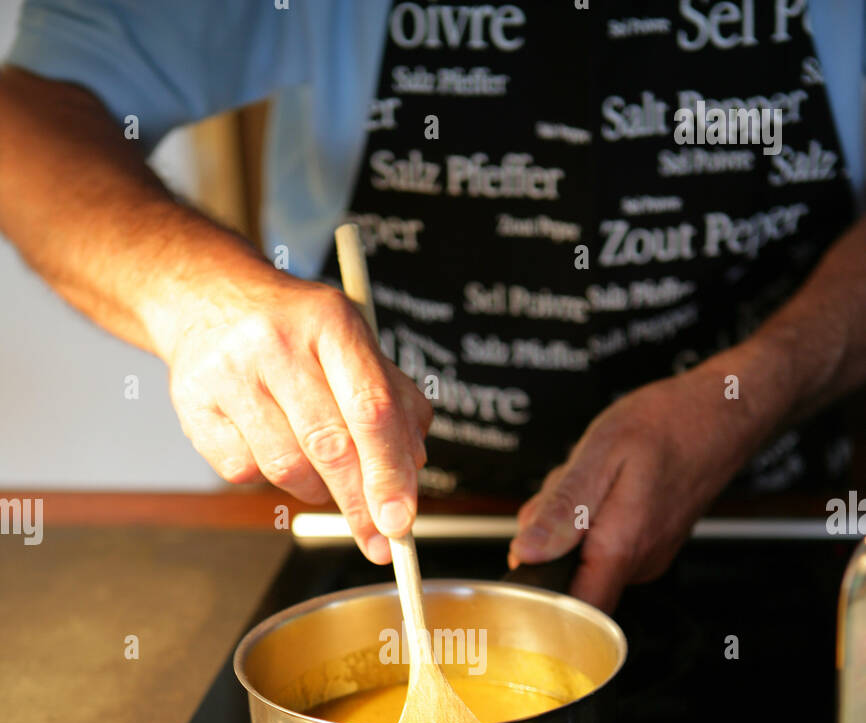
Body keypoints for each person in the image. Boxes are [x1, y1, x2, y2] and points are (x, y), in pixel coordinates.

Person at [1, 0, 865, 611]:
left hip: (794, 517)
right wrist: (199, 296)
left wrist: (758, 389)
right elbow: (28, 121)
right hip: (351, 533)